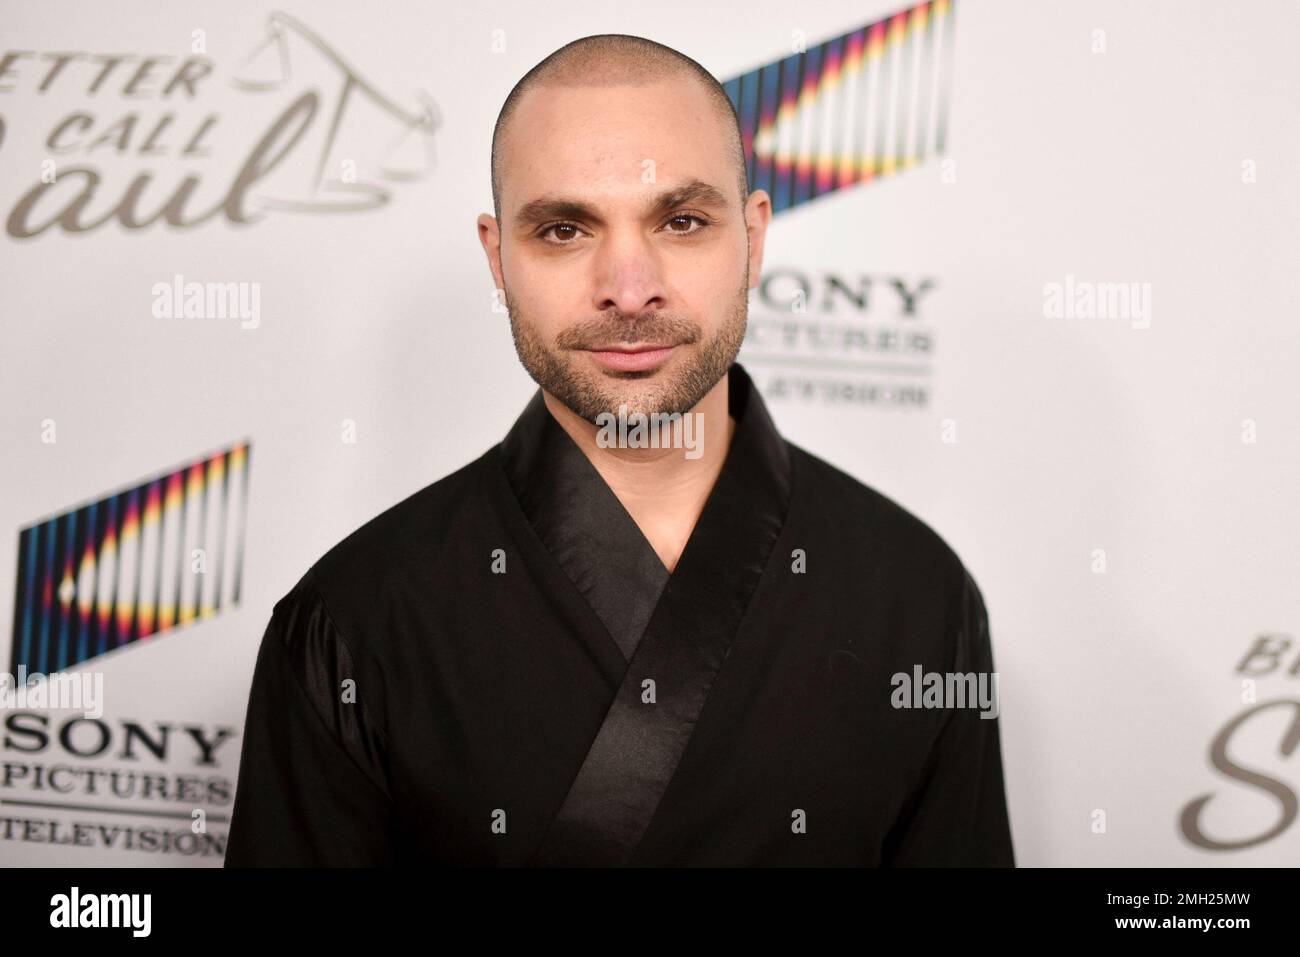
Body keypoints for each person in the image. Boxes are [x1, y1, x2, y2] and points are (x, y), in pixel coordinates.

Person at [224, 33, 1014, 867]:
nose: (628, 288)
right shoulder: (350, 621)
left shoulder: (919, 596)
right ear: (498, 259)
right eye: (565, 229)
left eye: (681, 221)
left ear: (753, 238)